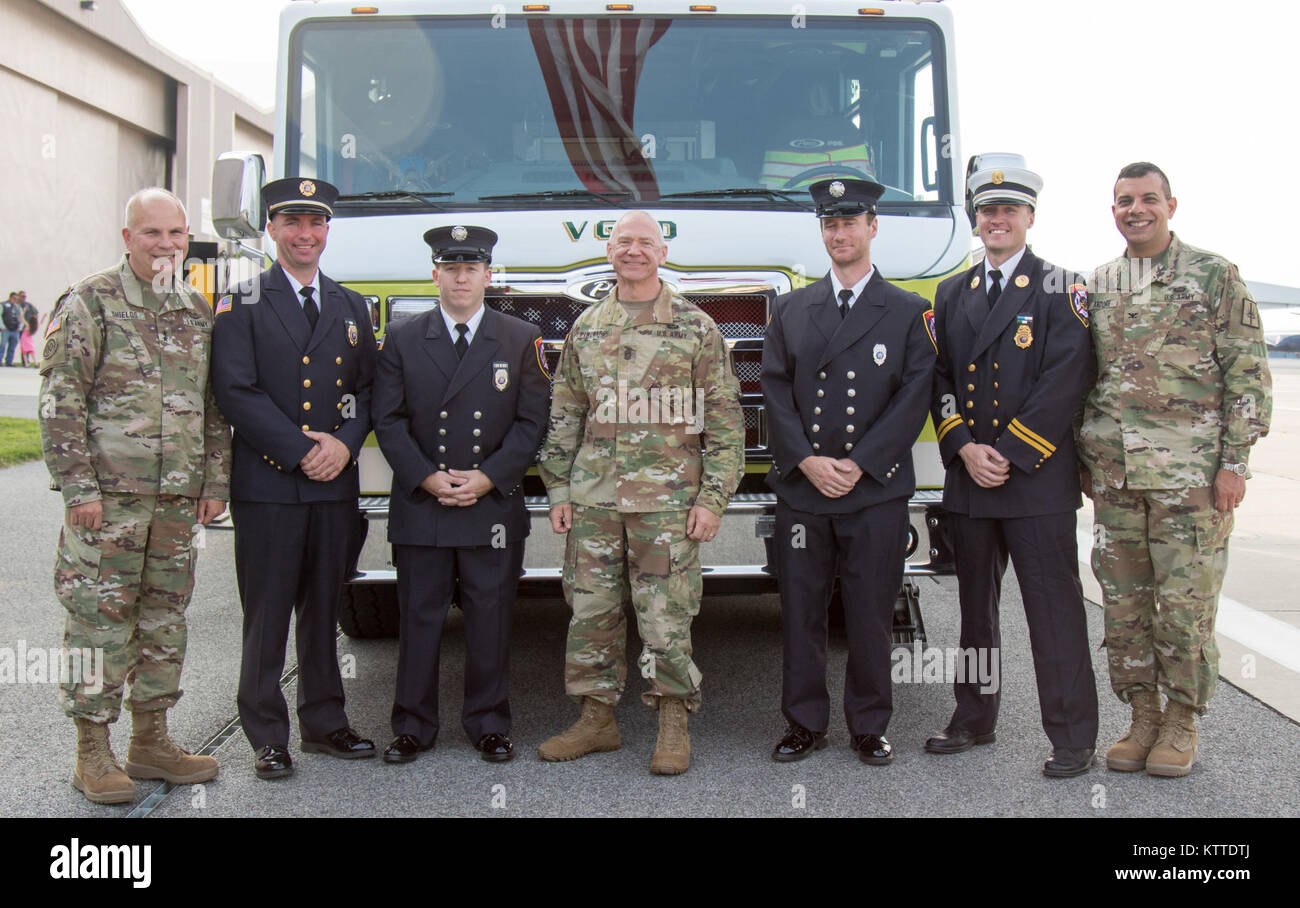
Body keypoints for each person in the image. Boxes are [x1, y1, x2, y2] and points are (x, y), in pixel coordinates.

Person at [1080, 162, 1271, 777]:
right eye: (1124, 201)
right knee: (1124, 603)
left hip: (1191, 479)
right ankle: (1142, 717)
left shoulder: (1215, 276)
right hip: (1115, 478)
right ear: (1113, 210)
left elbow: (1247, 374)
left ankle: (1183, 719)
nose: (1135, 209)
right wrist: (1085, 460)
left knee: (1184, 606)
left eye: (1147, 199)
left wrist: (1234, 464)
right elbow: (1084, 379)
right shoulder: (1099, 284)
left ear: (1170, 205)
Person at [39, 187, 230, 804]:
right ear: (128, 238)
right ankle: (92, 752)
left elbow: (212, 407)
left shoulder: (195, 309)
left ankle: (152, 742)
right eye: (152, 234)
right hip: (108, 501)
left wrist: (213, 481)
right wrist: (77, 488)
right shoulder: (89, 302)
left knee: (164, 620)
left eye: (176, 235)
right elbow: (61, 402)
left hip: (177, 502)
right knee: (99, 620)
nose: (166, 246)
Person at [537, 210, 744, 775]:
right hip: (595, 501)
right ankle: (596, 719)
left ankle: (672, 723)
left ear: (662, 251)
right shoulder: (586, 328)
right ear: (609, 252)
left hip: (668, 503)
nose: (634, 250)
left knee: (665, 615)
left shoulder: (695, 327)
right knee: (592, 612)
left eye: (645, 242)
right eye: (623, 241)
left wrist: (712, 499)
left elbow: (725, 422)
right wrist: (558, 488)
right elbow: (566, 412)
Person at [925, 156, 1099, 778]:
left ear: (1030, 217)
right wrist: (964, 446)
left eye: (1008, 210)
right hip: (971, 479)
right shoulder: (953, 291)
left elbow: (1066, 378)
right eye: (986, 211)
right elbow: (939, 377)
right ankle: (973, 718)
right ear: (976, 221)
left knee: (1053, 610)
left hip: (1035, 479)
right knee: (975, 610)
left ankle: (1073, 734)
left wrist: (1012, 451)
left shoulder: (1062, 286)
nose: (996, 219)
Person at [761, 178, 935, 766]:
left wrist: (859, 464)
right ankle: (803, 723)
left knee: (868, 614)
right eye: (830, 225)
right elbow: (775, 390)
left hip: (875, 488)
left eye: (850, 223)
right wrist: (806, 460)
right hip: (805, 488)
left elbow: (914, 397)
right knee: (801, 613)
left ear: (872, 227)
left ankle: (868, 725)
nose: (840, 234)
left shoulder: (910, 311)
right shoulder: (790, 308)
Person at [211, 177, 379, 780]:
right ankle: (265, 735)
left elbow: (366, 388)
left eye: (316, 224)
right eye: (292, 223)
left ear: (327, 231)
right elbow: (234, 389)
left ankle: (325, 723)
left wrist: (344, 441)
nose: (305, 235)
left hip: (334, 482)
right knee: (268, 611)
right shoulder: (241, 301)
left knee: (323, 606)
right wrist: (298, 449)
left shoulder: (349, 303)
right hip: (270, 483)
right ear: (272, 230)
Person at [372, 225, 550, 764]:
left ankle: (490, 724)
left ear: (488, 275)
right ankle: (412, 726)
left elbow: (532, 420)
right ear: (435, 274)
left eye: (471, 268)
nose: (461, 277)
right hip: (424, 500)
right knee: (420, 617)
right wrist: (425, 476)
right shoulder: (403, 337)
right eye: (451, 268)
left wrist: (489, 477)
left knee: (490, 618)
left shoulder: (520, 337)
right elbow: (388, 416)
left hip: (490, 503)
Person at [1, 292, 20, 366]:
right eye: (14, 298)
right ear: (10, 298)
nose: (15, 300)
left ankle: (9, 362)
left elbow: (20, 317)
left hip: (14, 330)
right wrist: (2, 326)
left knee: (12, 347)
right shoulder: (3, 305)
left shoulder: (16, 307)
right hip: (6, 329)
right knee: (2, 346)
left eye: (16, 299)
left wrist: (19, 326)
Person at [19, 292, 38, 367]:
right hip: (30, 341)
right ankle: (35, 362)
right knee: (32, 352)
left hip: (24, 340)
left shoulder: (27, 325)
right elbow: (39, 323)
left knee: (24, 352)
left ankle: (26, 364)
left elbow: (21, 318)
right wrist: (43, 317)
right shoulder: (33, 327)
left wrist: (23, 311)